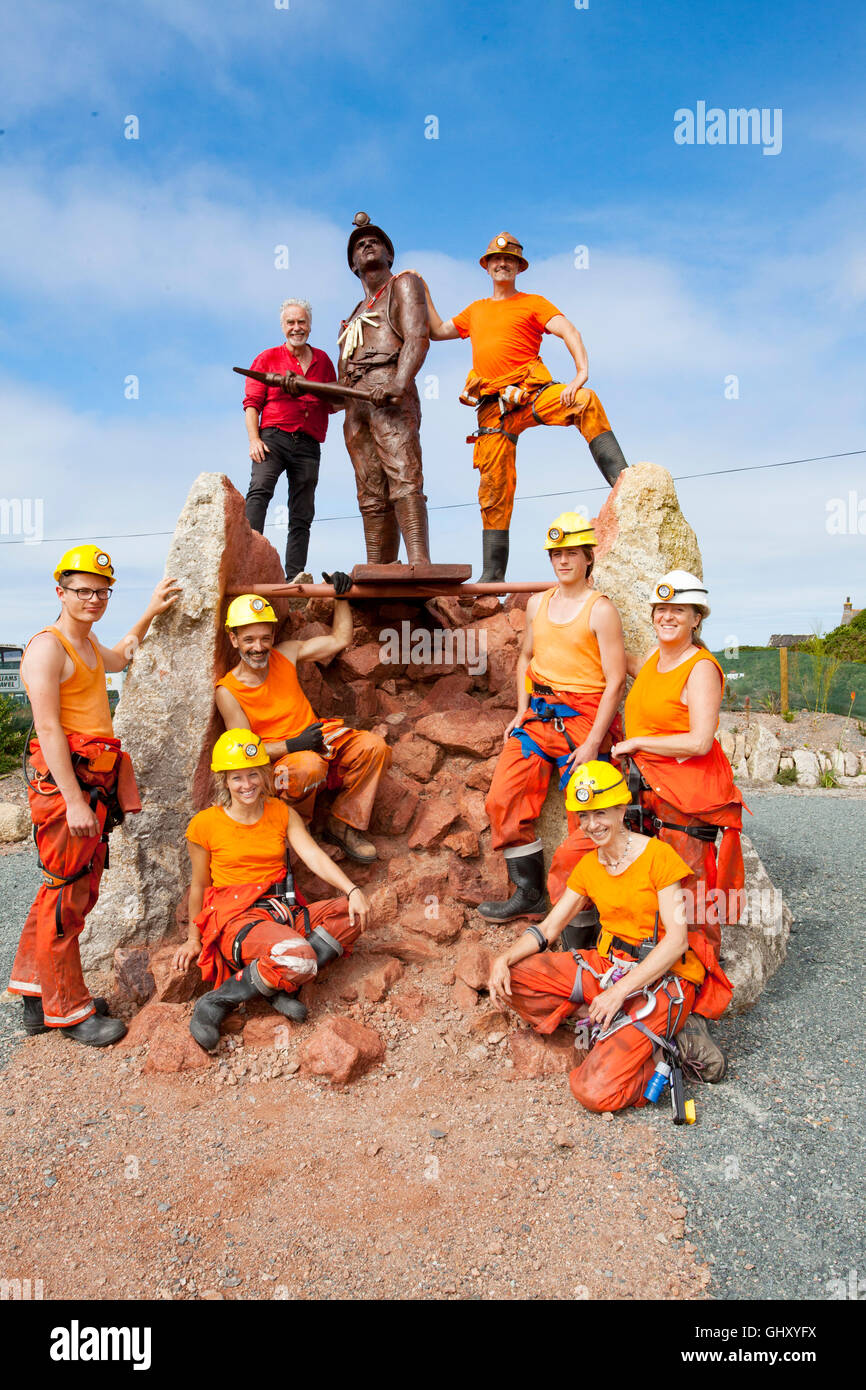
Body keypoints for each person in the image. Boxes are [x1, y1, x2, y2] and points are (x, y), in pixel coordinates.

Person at [488, 762, 733, 1113]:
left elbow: (677, 942)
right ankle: (611, 1024)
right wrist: (504, 958)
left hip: (662, 978)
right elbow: (548, 929)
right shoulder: (589, 865)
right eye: (584, 816)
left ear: (621, 809)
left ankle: (662, 1047)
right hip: (609, 967)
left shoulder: (659, 858)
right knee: (517, 977)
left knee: (594, 1092)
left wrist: (619, 992)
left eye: (601, 813)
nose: (592, 825)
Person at [9, 546, 180, 1045]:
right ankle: (69, 1010)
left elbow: (123, 655)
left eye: (102, 591)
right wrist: (76, 802)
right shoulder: (48, 647)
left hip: (91, 785)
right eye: (83, 590)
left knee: (57, 893)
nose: (94, 599)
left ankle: (37, 997)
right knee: (68, 898)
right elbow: (48, 728)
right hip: (70, 790)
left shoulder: (87, 643)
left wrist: (149, 609)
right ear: (60, 591)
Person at [423, 232, 628, 580]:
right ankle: (493, 575)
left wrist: (580, 374)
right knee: (493, 487)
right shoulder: (476, 310)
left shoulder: (533, 303)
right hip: (493, 409)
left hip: (531, 394)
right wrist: (422, 289)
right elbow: (438, 329)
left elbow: (568, 331)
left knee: (583, 401)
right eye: (496, 260)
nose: (502, 263)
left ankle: (627, 485)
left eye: (509, 260)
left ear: (518, 266)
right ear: (487, 267)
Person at [607, 569, 745, 1075]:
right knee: (656, 905)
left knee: (690, 913)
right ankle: (648, 992)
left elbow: (699, 741)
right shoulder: (653, 666)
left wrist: (639, 744)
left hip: (689, 813)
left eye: (678, 611)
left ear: (696, 618)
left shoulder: (700, 668)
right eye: (660, 610)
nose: (667, 617)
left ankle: (692, 1017)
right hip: (654, 806)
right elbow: (614, 655)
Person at [175, 731, 371, 1051]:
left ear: (265, 775)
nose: (247, 784)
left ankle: (278, 976)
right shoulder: (204, 824)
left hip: (282, 913)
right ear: (224, 781)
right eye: (236, 777)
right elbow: (199, 885)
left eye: (253, 774)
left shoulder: (281, 812)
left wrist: (352, 890)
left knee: (355, 916)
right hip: (238, 920)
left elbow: (314, 856)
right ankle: (218, 1000)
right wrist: (193, 939)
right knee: (300, 954)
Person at [478, 512, 625, 928]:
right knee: (502, 796)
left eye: (571, 553)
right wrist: (521, 709)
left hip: (585, 719)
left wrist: (595, 743)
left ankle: (581, 911)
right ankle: (529, 894)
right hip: (540, 717)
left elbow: (615, 682)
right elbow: (526, 657)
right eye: (556, 553)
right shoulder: (538, 603)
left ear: (587, 558)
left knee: (593, 812)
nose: (563, 561)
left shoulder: (600, 611)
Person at [215, 591, 391, 864]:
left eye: (264, 638)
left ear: (273, 636)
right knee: (307, 766)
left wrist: (341, 597)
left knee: (374, 747)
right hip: (283, 762)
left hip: (318, 739)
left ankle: (342, 824)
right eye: (248, 639)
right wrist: (293, 745)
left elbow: (339, 640)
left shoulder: (285, 653)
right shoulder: (228, 691)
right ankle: (296, 831)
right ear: (233, 639)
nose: (258, 647)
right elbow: (243, 753)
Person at [339, 213, 432, 564]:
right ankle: (378, 565)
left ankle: (419, 560)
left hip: (389, 393)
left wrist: (399, 382)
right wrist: (302, 389)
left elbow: (417, 337)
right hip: (356, 406)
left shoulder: (403, 284)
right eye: (359, 245)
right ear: (353, 265)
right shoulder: (352, 317)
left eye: (374, 241)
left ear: (389, 255)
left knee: (404, 473)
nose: (366, 245)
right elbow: (340, 387)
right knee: (370, 488)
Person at [243, 297, 338, 582]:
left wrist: (356, 393)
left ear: (309, 325)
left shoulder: (323, 361)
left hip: (309, 444)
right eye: (291, 323)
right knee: (259, 492)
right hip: (274, 438)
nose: (297, 328)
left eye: (302, 322)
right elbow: (252, 404)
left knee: (303, 511)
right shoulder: (266, 358)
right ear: (283, 326)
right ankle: (249, 564)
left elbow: (334, 403)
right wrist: (254, 440)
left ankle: (294, 575)